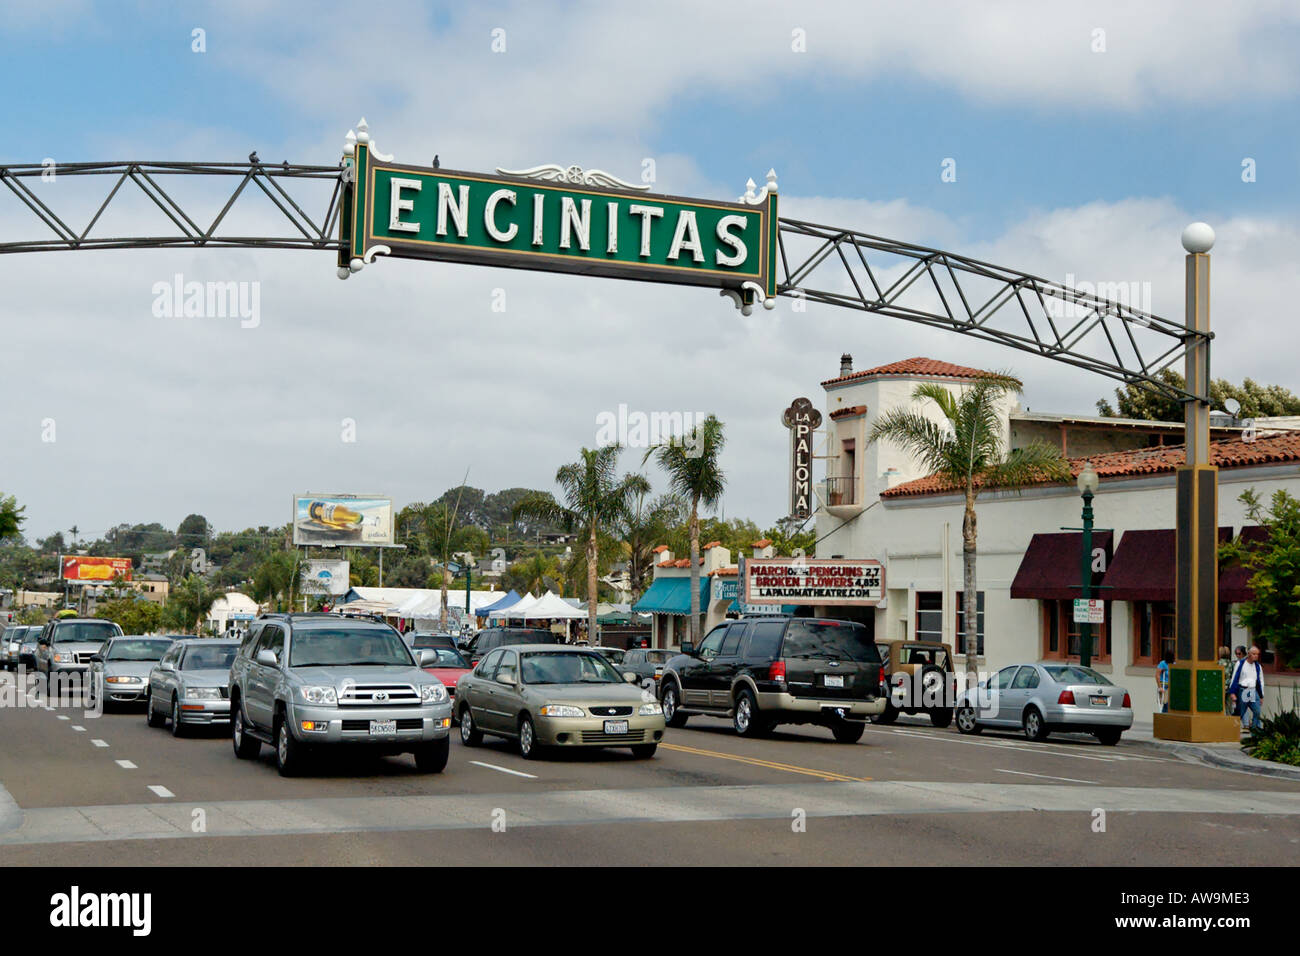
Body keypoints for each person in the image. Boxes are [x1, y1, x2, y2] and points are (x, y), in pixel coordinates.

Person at [1227, 645, 1265, 733]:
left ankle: (1255, 731)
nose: (1256, 656)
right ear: (1249, 654)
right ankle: (1230, 730)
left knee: (1257, 712)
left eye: (1257, 654)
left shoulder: (1258, 666)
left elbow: (1260, 681)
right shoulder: (1241, 663)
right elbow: (1234, 678)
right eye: (1254, 654)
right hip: (1243, 690)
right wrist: (1232, 692)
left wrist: (1261, 695)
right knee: (1240, 712)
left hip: (1253, 690)